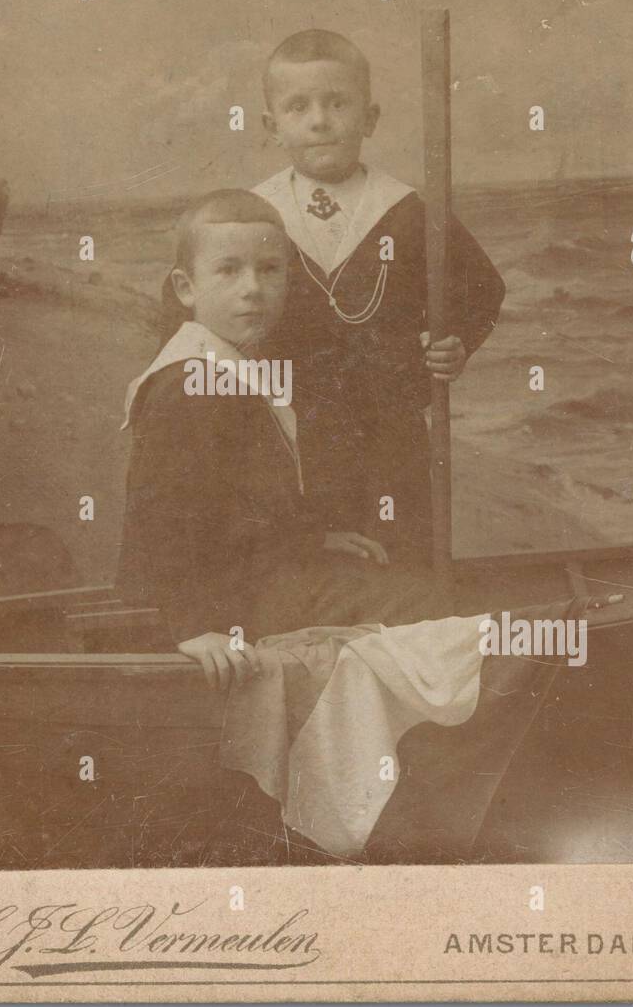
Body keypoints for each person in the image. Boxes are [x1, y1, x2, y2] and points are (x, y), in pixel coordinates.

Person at [117, 188, 447, 691]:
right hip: (223, 600)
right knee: (419, 605)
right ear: (186, 288)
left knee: (394, 586)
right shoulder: (191, 381)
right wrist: (190, 627)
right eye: (228, 271)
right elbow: (159, 516)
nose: (253, 288)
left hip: (249, 573)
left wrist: (311, 539)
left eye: (270, 270)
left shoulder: (233, 362)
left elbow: (241, 505)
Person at [253, 28, 506, 562]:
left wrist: (455, 343)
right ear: (272, 127)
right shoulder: (254, 215)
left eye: (338, 103)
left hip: (390, 431)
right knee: (303, 566)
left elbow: (482, 289)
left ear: (369, 118)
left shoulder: (410, 211)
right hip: (289, 429)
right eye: (299, 107)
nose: (320, 120)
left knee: (401, 559)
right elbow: (195, 315)